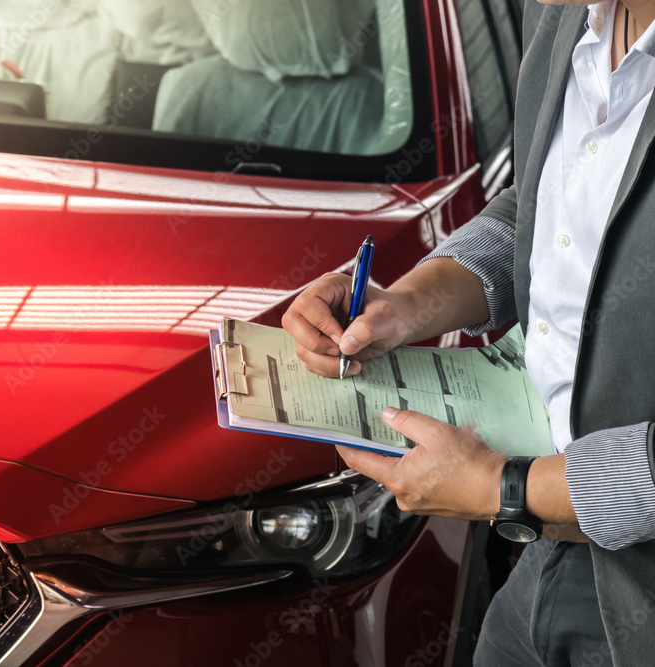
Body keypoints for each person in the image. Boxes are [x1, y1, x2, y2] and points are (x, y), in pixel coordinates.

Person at [282, 1, 655, 664]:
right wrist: (406, 303)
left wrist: (502, 488)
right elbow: (540, 203)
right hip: (545, 553)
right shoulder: (572, 18)